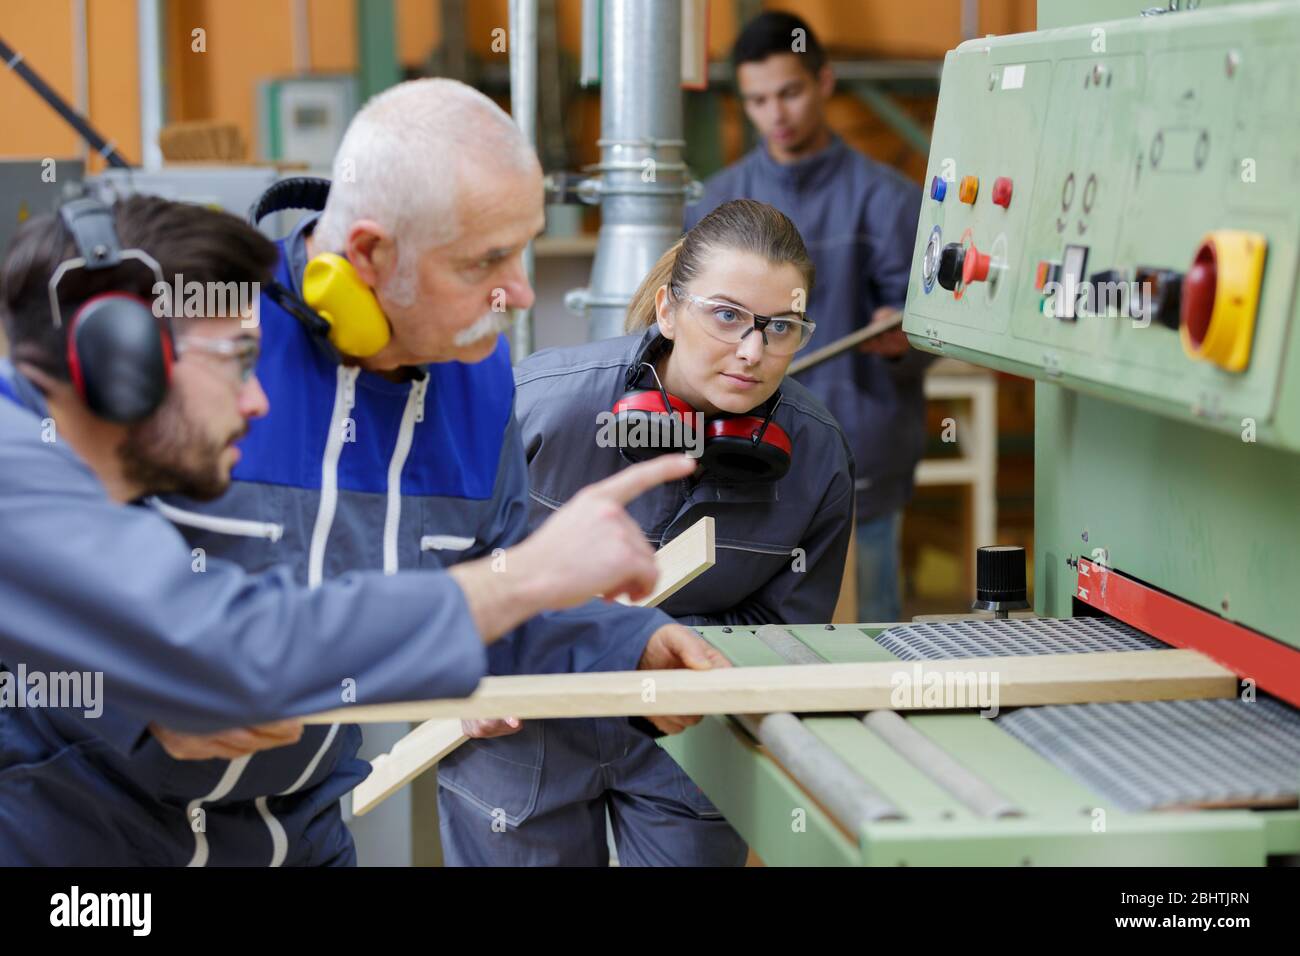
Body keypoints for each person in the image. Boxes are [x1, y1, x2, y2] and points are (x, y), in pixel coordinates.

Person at [0, 193, 700, 866]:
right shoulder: (13, 465)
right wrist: (529, 574)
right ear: (120, 357)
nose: (257, 399)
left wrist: (619, 642)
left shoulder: (476, 390)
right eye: (236, 360)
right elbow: (221, 645)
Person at [155, 78, 723, 867]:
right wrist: (134, 701)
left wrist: (627, 643)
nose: (520, 293)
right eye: (487, 260)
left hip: (300, 831)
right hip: (94, 827)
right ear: (370, 255)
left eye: (521, 249)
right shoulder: (198, 342)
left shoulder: (478, 381)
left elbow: (483, 598)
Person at [438, 199, 855, 865]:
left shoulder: (818, 455)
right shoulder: (544, 403)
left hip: (686, 730)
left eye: (780, 327)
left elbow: (783, 629)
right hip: (524, 716)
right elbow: (438, 556)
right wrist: (458, 674)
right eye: (726, 316)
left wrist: (669, 672)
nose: (753, 351)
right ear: (667, 310)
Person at [685, 11, 930, 622]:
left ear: (824, 82)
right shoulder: (715, 204)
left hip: (860, 448)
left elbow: (928, 328)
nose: (777, 114)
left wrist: (902, 338)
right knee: (736, 619)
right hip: (735, 448)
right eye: (758, 100)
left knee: (866, 624)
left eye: (789, 92)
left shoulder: (889, 199)